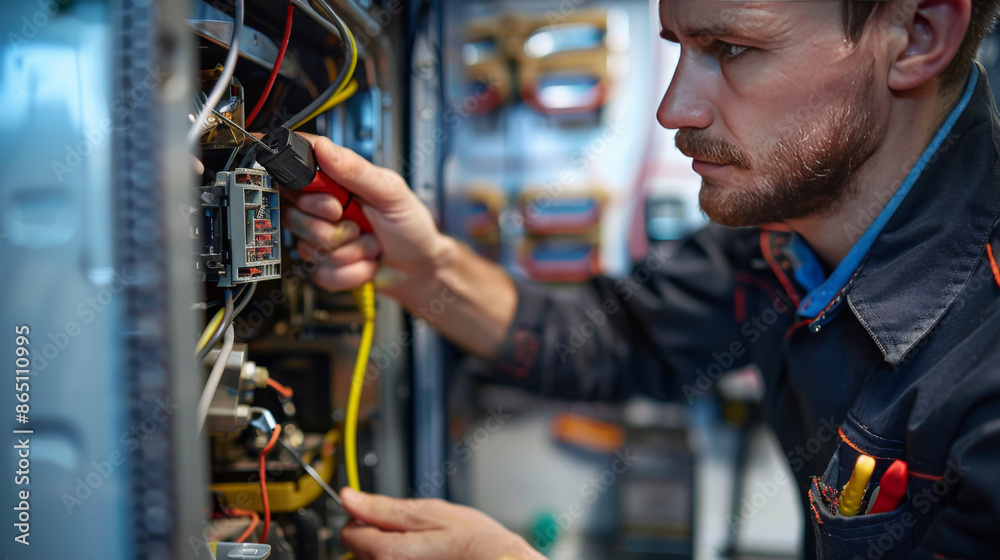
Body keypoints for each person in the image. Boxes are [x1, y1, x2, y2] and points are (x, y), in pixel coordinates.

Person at [282, 1, 1000, 558]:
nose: (674, 110)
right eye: (681, 47)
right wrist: (422, 267)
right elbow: (610, 340)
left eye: (733, 49)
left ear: (916, 33)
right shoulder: (786, 239)